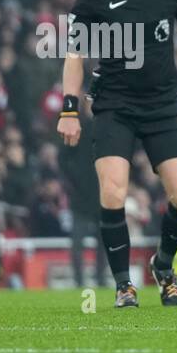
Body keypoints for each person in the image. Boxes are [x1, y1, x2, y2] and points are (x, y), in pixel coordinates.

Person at [57, 0, 177, 309]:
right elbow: (74, 54)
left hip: (162, 106)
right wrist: (69, 108)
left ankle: (164, 267)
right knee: (113, 192)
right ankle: (124, 284)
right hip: (114, 106)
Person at [57, 109, 106, 287]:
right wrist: (73, 181)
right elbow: (62, 158)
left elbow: (62, 159)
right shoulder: (78, 128)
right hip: (81, 197)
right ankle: (79, 281)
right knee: (78, 242)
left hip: (101, 194)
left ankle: (100, 279)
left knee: (104, 241)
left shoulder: (108, 128)